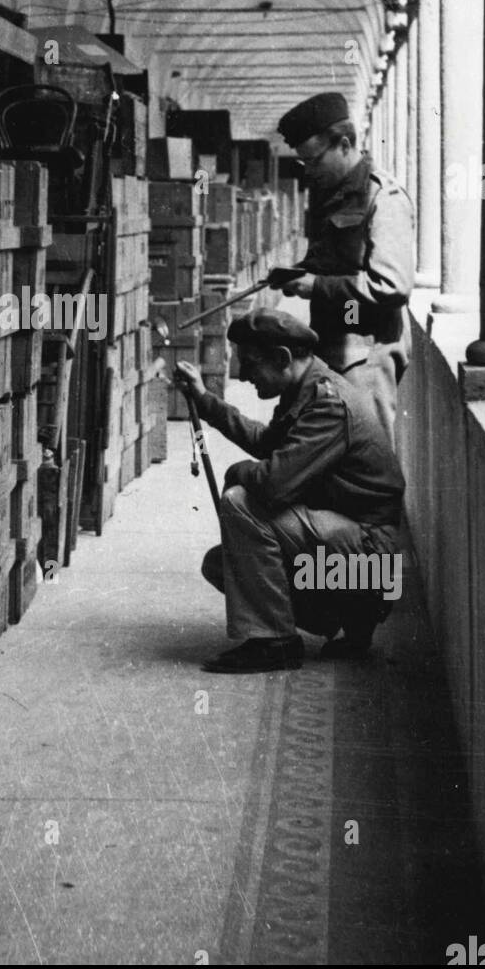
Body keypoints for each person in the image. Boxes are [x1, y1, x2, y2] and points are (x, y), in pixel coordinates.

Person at [175, 309, 405, 674]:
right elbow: (268, 443)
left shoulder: (328, 404)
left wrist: (237, 472)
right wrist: (205, 401)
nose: (244, 375)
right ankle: (352, 618)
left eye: (250, 364)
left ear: (282, 358)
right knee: (223, 564)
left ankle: (276, 642)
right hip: (354, 547)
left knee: (241, 503)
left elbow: (272, 485)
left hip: (371, 557)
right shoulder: (307, 387)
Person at [269, 92, 414, 444]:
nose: (310, 172)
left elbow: (392, 285)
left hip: (366, 356)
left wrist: (315, 286)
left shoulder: (383, 197)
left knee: (370, 461)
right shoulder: (333, 194)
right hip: (335, 348)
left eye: (314, 161)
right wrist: (299, 273)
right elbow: (337, 262)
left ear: (345, 144)